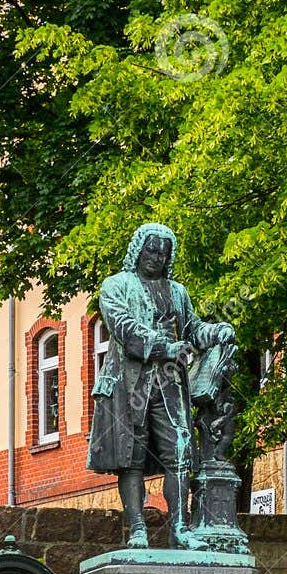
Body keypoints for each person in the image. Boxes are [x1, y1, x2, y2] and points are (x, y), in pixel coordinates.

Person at [87, 222, 236, 548]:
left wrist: (216, 331)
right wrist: (164, 346)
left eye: (162, 252)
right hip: (129, 384)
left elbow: (192, 329)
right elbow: (123, 328)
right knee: (131, 455)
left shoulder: (177, 291)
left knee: (180, 451)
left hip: (169, 385)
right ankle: (138, 528)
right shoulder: (116, 286)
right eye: (151, 250)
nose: (155, 257)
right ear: (138, 249)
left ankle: (179, 529)